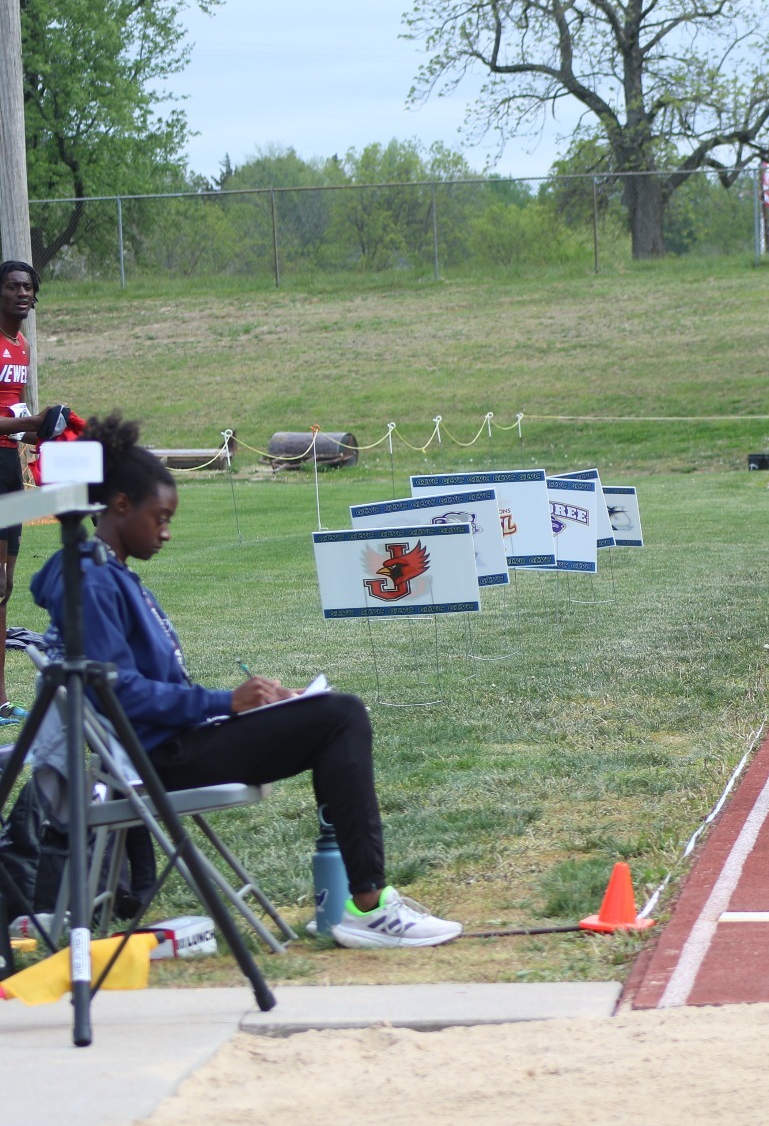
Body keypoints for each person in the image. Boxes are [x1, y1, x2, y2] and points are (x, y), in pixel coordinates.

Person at [26, 413, 462, 948]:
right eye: (159, 517)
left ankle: (362, 900)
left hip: (175, 743)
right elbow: (119, 693)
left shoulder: (110, 574)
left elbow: (145, 686)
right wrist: (224, 703)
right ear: (120, 507)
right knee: (340, 716)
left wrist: (255, 705)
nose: (165, 532)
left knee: (329, 715)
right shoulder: (91, 582)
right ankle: (368, 906)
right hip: (159, 760)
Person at [0, 261, 66, 724]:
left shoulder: (22, 345)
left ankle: (0, 701)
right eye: (12, 286)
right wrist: (28, 422)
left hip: (9, 468)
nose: (23, 293)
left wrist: (43, 432)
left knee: (3, 590)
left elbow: (15, 416)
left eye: (28, 287)